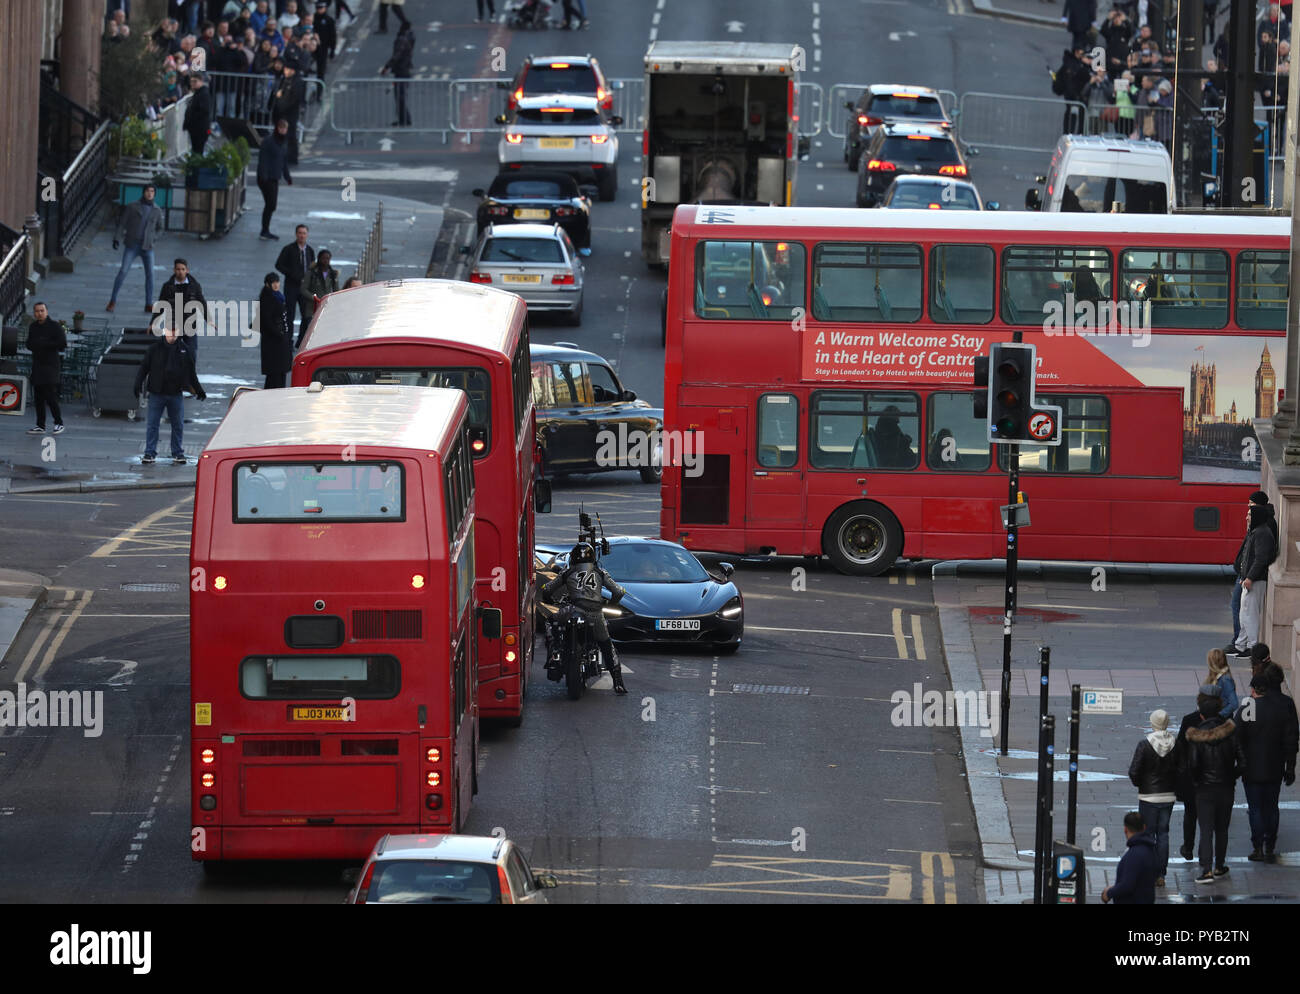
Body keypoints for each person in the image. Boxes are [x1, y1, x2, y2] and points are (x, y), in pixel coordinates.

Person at [540, 540, 628, 694]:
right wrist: (611, 603)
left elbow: (547, 589)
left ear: (573, 557)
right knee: (607, 645)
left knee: (550, 621)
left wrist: (549, 600)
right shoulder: (600, 572)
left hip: (573, 610)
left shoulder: (568, 571)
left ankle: (554, 654)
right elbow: (619, 591)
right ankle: (618, 682)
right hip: (595, 613)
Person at [1235, 670, 1298, 862]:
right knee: (1271, 807)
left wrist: (1239, 762)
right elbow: (1290, 740)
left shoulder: (1248, 706)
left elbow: (1237, 738)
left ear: (1254, 689)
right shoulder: (1281, 707)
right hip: (1274, 765)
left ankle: (1258, 846)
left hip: (1252, 767)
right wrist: (1290, 766)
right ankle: (1270, 844)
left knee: (1255, 808)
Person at [1186, 689, 1246, 883]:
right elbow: (1243, 763)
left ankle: (1206, 870)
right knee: (1222, 829)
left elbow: (1193, 765)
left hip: (1204, 789)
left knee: (1205, 829)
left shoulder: (1198, 737)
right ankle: (1220, 865)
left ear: (1202, 715)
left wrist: (1197, 781)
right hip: (1226, 788)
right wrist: (1231, 776)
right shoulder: (1230, 733)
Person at [133, 324, 206, 465]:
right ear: (165, 331)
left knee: (177, 424)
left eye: (175, 333)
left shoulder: (185, 350)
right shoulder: (154, 349)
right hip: (156, 393)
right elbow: (144, 368)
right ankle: (150, 452)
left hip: (175, 393)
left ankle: (177, 452)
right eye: (170, 332)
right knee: (153, 424)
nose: (172, 335)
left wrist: (198, 389)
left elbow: (192, 373)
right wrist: (137, 384)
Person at [1127, 709, 1177, 887]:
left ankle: (1148, 871)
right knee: (1163, 834)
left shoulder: (1144, 744)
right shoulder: (1174, 743)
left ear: (1153, 723)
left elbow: (1134, 771)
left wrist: (1141, 784)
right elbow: (1181, 769)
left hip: (1148, 796)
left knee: (1147, 834)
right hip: (1168, 796)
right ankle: (1161, 874)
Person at [1231, 502, 1278, 658]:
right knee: (1244, 613)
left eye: (1250, 514)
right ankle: (1241, 644)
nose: (1247, 517)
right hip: (1250, 579)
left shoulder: (1262, 533)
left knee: (1249, 614)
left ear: (1257, 516)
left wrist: (1249, 577)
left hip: (1255, 580)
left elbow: (1260, 559)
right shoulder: (1256, 532)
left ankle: (1252, 647)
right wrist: (1245, 576)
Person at [108, 186, 164, 314]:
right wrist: (117, 238)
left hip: (147, 247)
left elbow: (161, 228)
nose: (149, 194)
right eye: (147, 191)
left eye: (152, 192)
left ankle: (148, 303)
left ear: (154, 194)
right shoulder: (132, 207)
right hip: (132, 245)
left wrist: (153, 238)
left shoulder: (156, 210)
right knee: (123, 271)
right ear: (143, 193)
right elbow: (122, 223)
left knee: (150, 274)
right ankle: (112, 300)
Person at [155, 258, 209, 364]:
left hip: (190, 324)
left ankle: (190, 374)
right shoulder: (167, 286)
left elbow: (202, 302)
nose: (180, 272)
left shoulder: (194, 286)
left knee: (191, 352)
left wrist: (208, 319)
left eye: (183, 269)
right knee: (171, 352)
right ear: (174, 270)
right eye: (178, 269)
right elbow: (161, 305)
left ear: (187, 270)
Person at [24, 302, 66, 436]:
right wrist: (36, 345)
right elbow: (29, 343)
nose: (39, 313)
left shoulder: (54, 326)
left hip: (50, 365)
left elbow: (62, 343)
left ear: (46, 311)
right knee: (38, 397)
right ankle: (40, 425)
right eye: (37, 311)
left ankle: (59, 423)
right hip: (37, 364)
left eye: (42, 310)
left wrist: (43, 344)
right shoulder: (33, 327)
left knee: (50, 395)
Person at [1100, 811, 1157, 904]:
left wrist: (1108, 893)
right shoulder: (1150, 849)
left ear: (1125, 829)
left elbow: (1127, 885)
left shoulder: (1134, 854)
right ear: (1144, 827)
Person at [275, 223, 314, 346]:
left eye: (304, 233)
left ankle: (301, 341)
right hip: (291, 286)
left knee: (306, 316)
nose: (302, 236)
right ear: (296, 234)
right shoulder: (289, 249)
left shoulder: (310, 250)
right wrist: (292, 274)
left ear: (307, 235)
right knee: (289, 315)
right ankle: (289, 340)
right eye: (300, 233)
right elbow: (279, 265)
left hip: (304, 288)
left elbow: (312, 266)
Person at [1173, 698, 1202, 862]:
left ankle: (1188, 847)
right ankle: (1205, 853)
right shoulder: (1222, 722)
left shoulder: (1189, 719)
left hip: (1191, 777)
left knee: (1190, 814)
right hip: (1212, 779)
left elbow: (1180, 746)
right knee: (1207, 819)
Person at [257, 118, 292, 239]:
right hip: (266, 178)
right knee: (270, 204)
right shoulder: (268, 141)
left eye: (285, 128)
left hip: (274, 177)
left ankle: (265, 230)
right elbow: (263, 159)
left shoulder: (283, 142)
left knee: (271, 205)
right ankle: (264, 231)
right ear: (277, 128)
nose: (283, 130)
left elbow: (283, 161)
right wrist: (263, 176)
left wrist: (287, 177)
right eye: (281, 128)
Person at [258, 273, 291, 389]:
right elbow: (267, 320)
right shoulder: (267, 298)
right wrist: (279, 334)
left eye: (277, 282)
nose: (276, 285)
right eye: (273, 282)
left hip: (279, 339)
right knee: (275, 372)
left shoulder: (277, 296)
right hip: (273, 341)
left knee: (280, 371)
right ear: (268, 284)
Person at [378, 23, 413, 127]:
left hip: (401, 71)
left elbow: (396, 56)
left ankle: (405, 119)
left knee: (400, 97)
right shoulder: (409, 38)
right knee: (400, 96)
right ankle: (404, 119)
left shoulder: (401, 41)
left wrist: (386, 67)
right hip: (404, 70)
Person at [270, 61, 305, 164]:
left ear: (292, 71)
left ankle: (292, 157)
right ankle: (280, 155)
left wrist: (281, 99)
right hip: (281, 111)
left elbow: (294, 98)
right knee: (279, 134)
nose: (284, 71)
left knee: (290, 135)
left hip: (289, 113)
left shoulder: (297, 82)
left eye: (287, 69)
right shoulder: (284, 79)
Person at [1052, 47, 1092, 134]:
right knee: (1071, 117)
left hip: (1078, 97)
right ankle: (1069, 134)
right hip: (1073, 96)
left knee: (1078, 117)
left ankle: (1076, 134)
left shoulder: (1082, 66)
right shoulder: (1073, 65)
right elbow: (1069, 80)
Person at [303, 248, 339, 325]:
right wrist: (314, 297)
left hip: (326, 307)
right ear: (319, 259)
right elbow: (303, 289)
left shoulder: (332, 274)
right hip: (312, 308)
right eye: (323, 258)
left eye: (328, 258)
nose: (325, 260)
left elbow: (337, 291)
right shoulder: (311, 273)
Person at [1204, 647, 1239, 720]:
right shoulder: (1215, 677)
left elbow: (1234, 703)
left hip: (1221, 720)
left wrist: (1220, 715)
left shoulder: (1225, 679)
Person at [184, 73, 213, 153]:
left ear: (201, 81)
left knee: (198, 151)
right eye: (191, 81)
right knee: (196, 150)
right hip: (196, 128)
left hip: (200, 129)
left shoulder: (204, 94)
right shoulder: (198, 93)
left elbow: (204, 111)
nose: (192, 83)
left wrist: (192, 118)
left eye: (195, 81)